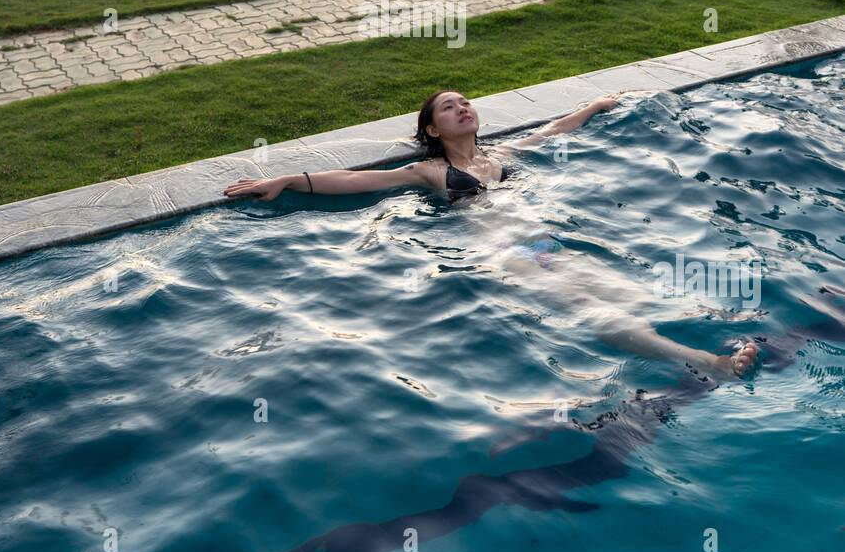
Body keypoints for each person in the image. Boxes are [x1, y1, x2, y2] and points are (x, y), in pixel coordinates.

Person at [224, 89, 760, 381]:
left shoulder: (500, 155)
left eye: (466, 103)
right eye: (449, 107)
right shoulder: (431, 172)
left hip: (546, 244)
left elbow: (550, 132)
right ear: (433, 130)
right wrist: (290, 178)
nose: (463, 108)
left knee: (631, 295)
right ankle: (706, 364)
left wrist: (594, 107)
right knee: (591, 309)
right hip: (505, 253)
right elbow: (362, 180)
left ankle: (683, 354)